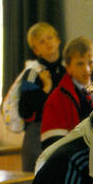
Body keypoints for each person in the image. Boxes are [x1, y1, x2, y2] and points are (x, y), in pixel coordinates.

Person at [17, 22, 63, 172]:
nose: (48, 43)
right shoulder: (32, 73)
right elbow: (24, 109)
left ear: (58, 40)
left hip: (62, 130)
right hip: (37, 133)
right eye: (41, 42)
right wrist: (45, 89)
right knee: (32, 183)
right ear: (36, 50)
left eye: (50, 38)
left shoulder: (67, 70)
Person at [40, 36, 93, 151]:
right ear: (68, 68)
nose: (87, 69)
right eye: (80, 64)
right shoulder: (56, 100)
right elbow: (52, 146)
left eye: (91, 62)